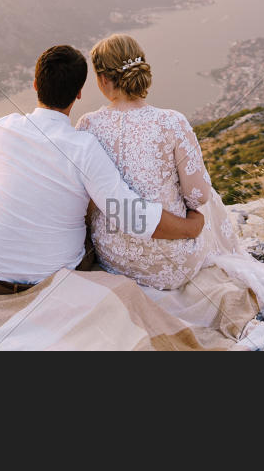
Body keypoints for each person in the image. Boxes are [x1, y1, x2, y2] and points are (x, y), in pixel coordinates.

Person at [0, 44, 205, 294]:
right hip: (53, 282)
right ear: (79, 94)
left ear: (35, 85)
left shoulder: (1, 129)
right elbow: (127, 213)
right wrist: (191, 227)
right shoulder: (82, 148)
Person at [75, 34, 230, 289]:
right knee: (207, 193)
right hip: (173, 263)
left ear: (103, 79)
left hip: (114, 258)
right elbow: (198, 196)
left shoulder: (88, 125)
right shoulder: (172, 122)